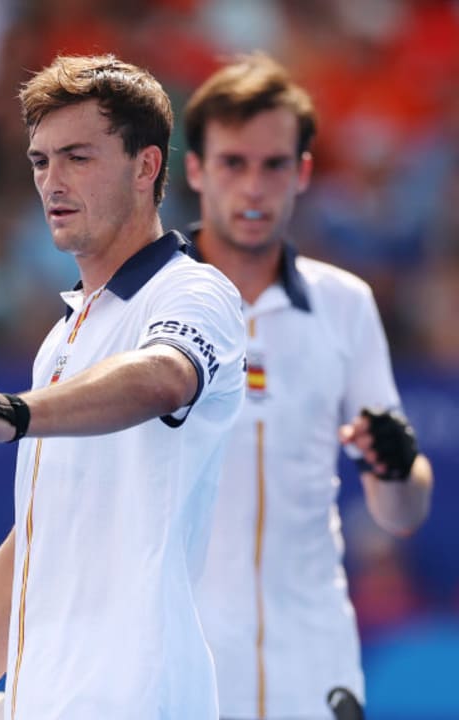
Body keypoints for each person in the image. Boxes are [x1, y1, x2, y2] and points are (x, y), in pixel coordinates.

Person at [0, 54, 249, 719]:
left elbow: (163, 377)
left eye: (78, 157)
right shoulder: (63, 336)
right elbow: (36, 539)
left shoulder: (195, 291)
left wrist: (15, 415)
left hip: (141, 700)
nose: (52, 182)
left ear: (146, 167)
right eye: (40, 161)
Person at [182, 53, 434, 719]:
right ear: (195, 170)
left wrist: (397, 466)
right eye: (233, 163)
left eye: (273, 165)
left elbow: (399, 511)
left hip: (313, 654)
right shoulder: (144, 299)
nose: (254, 187)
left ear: (303, 173)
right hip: (178, 655)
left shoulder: (344, 303)